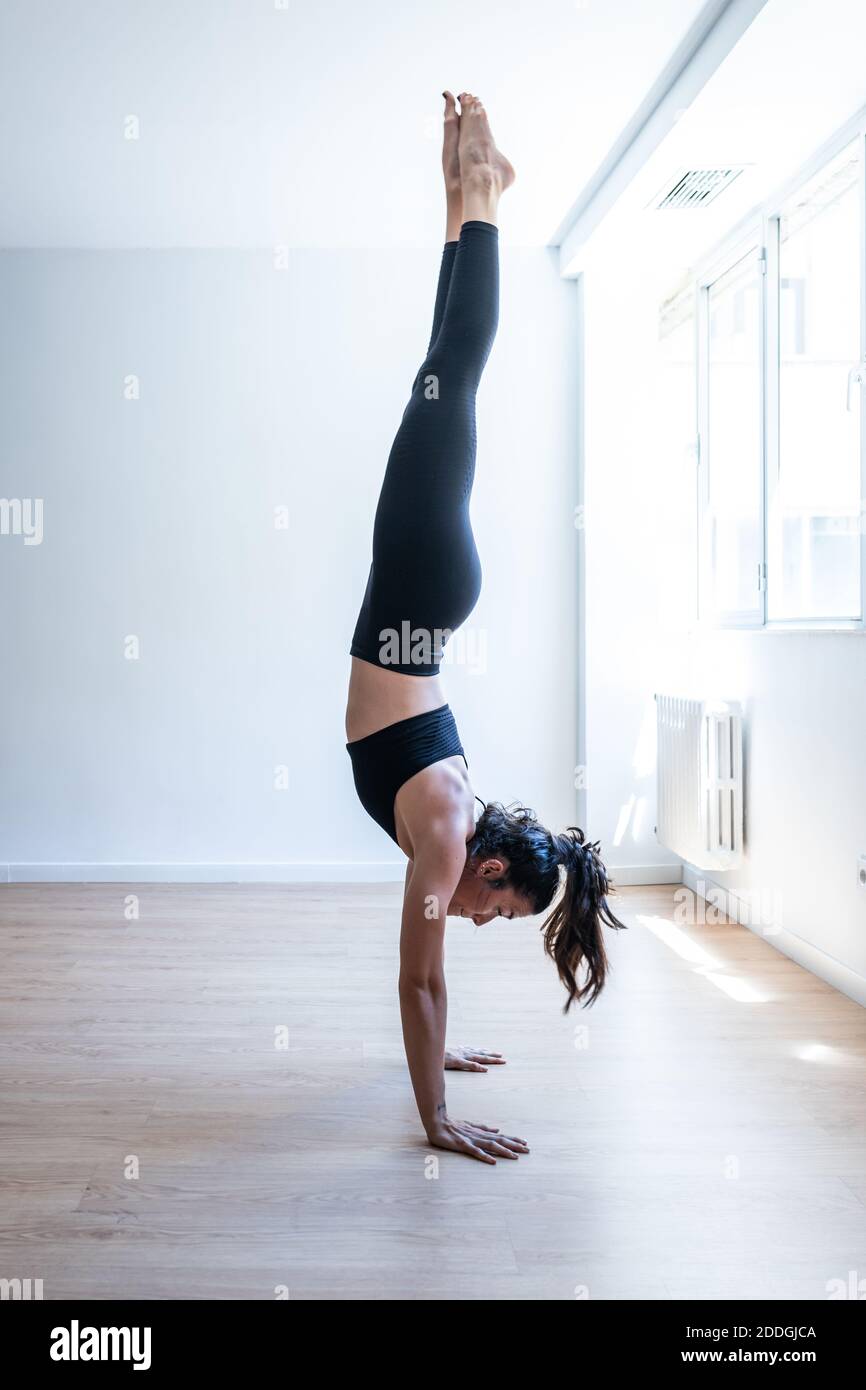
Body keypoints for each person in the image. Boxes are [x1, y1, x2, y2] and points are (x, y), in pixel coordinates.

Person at [345, 93, 625, 1164]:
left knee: (443, 366)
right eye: (496, 915)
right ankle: (482, 189)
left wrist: (442, 1052)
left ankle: (468, 194)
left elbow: (428, 983)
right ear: (497, 871)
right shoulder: (448, 829)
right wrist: (434, 1120)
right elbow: (418, 977)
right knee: (452, 367)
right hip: (417, 576)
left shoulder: (455, 817)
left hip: (426, 588)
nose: (474, 919)